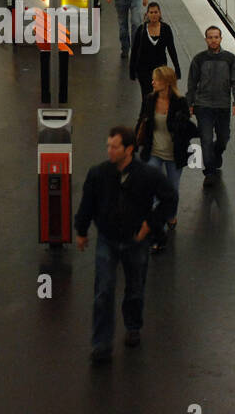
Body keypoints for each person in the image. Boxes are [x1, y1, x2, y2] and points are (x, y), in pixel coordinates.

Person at [74, 126, 178, 362]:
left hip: (135, 240)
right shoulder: (98, 173)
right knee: (103, 291)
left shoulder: (147, 175)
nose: (109, 150)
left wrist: (150, 224)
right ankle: (101, 344)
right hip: (108, 239)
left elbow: (170, 198)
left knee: (134, 289)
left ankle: (133, 326)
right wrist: (81, 230)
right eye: (108, 145)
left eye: (115, 146)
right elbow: (88, 203)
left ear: (129, 149)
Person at [135, 66, 196, 254]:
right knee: (153, 192)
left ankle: (171, 215)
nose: (152, 82)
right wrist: (133, 143)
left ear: (167, 83)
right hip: (153, 151)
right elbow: (141, 120)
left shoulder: (180, 102)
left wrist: (181, 122)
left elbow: (186, 128)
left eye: (156, 80)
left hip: (174, 154)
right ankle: (157, 231)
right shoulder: (149, 100)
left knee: (172, 190)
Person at [185, 26, 235, 187]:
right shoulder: (199, 59)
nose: (213, 40)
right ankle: (209, 171)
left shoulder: (230, 59)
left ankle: (216, 153)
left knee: (223, 138)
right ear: (206, 40)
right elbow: (192, 83)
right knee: (205, 138)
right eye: (210, 37)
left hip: (223, 106)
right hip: (203, 105)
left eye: (216, 37)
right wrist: (189, 103)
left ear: (221, 38)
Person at [128, 2, 181, 99]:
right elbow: (135, 51)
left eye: (156, 12)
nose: (154, 15)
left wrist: (177, 68)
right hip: (144, 70)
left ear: (160, 13)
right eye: (151, 12)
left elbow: (171, 49)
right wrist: (132, 70)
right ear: (147, 14)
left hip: (160, 70)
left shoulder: (166, 29)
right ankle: (145, 114)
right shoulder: (141, 30)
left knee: (160, 95)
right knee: (146, 96)